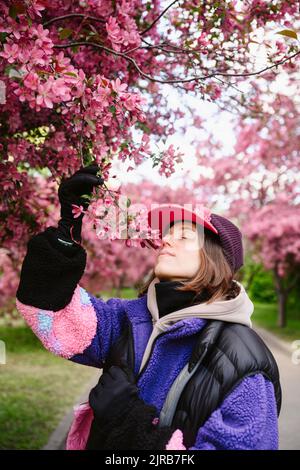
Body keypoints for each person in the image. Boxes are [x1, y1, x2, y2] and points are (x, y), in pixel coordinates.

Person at [15, 164, 282, 451]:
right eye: (168, 234)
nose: (165, 239)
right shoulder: (130, 319)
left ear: (215, 258)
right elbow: (53, 315)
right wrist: (65, 237)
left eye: (184, 236)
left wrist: (129, 421)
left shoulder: (244, 361)